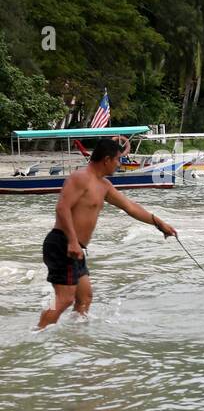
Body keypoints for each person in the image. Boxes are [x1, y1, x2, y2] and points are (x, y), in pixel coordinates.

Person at [37, 138, 176, 329]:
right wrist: (72, 242)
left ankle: (75, 340)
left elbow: (131, 207)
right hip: (63, 244)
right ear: (107, 159)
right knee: (64, 299)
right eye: (118, 160)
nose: (119, 164)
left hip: (76, 248)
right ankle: (38, 331)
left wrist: (159, 223)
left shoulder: (104, 186)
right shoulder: (80, 178)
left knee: (84, 298)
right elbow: (62, 208)